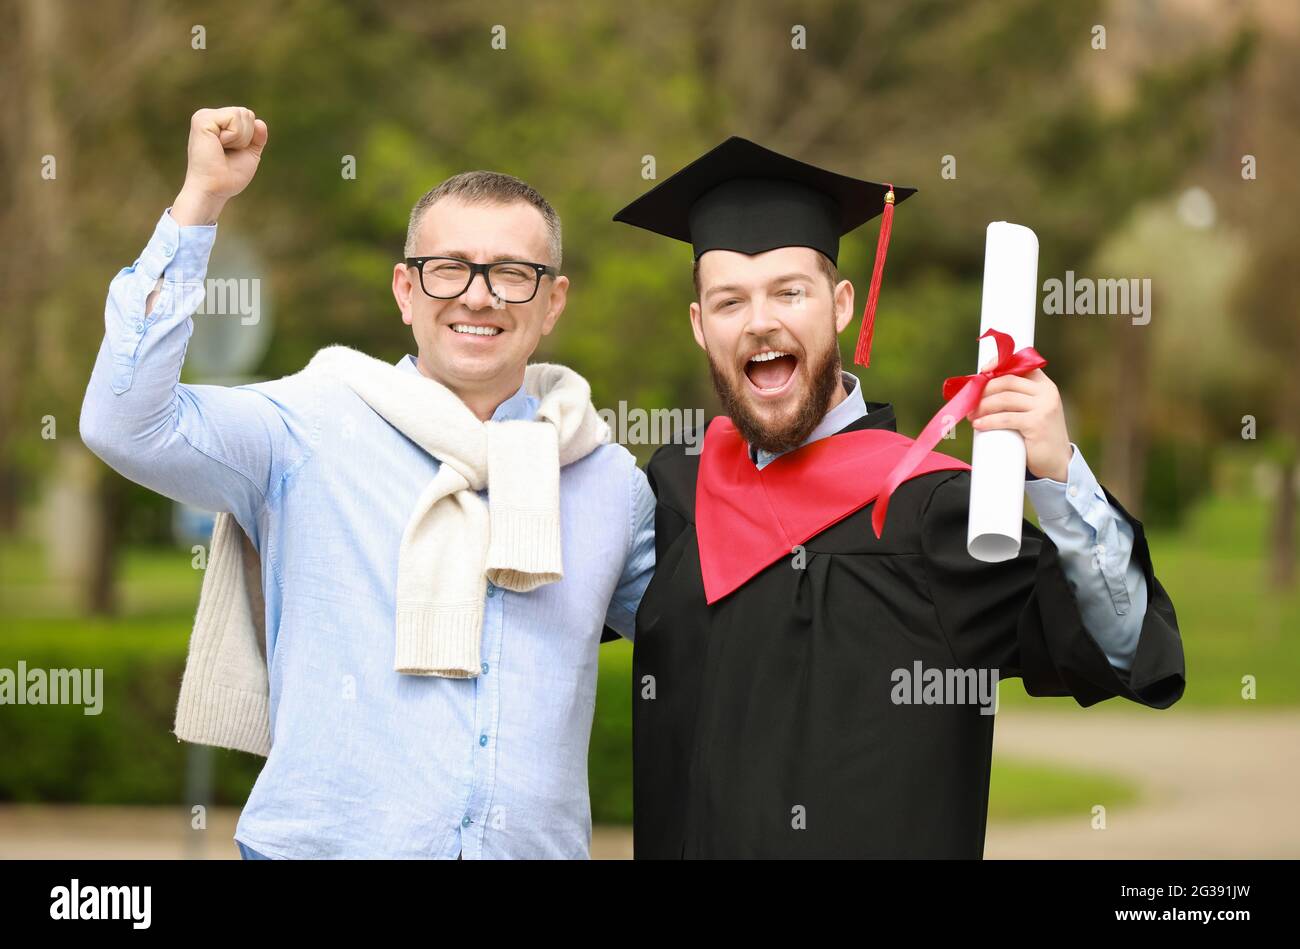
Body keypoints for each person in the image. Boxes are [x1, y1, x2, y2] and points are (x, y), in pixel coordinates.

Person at [79, 106, 655, 859]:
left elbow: (717, 644)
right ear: (405, 290)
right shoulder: (307, 425)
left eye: (513, 273)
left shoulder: (606, 479)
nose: (478, 296)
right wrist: (201, 202)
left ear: (553, 301)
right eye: (449, 268)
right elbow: (125, 423)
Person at [613, 136, 1185, 858]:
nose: (760, 321)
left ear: (842, 304)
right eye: (730, 300)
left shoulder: (937, 513)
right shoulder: (676, 498)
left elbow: (1125, 647)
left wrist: (1058, 474)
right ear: (701, 325)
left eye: (790, 291)